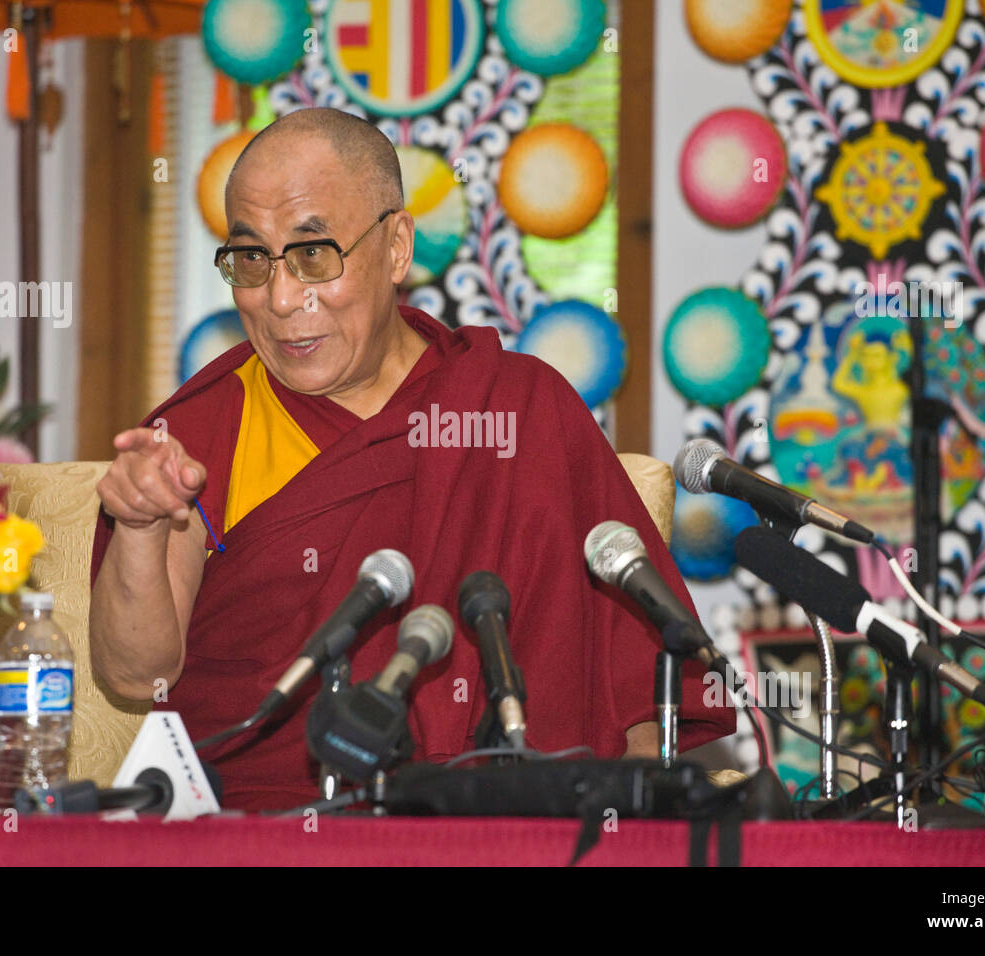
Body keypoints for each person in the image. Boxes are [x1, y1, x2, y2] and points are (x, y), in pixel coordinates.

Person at [89, 107, 733, 811]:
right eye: (250, 259)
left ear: (396, 248)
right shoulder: (202, 431)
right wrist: (142, 530)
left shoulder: (518, 407)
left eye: (312, 254)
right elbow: (136, 677)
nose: (279, 298)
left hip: (521, 834)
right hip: (273, 832)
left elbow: (636, 685)